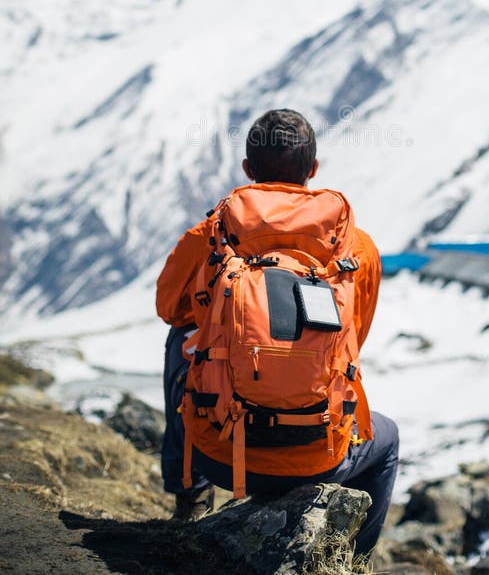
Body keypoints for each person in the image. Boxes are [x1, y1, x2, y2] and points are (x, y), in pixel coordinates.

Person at [156, 109, 398, 556]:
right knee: (388, 439)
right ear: (313, 171)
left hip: (222, 454)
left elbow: (169, 308)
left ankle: (190, 498)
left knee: (181, 338)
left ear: (248, 170)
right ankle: (347, 559)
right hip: (319, 456)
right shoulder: (357, 248)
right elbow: (352, 341)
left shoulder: (211, 235)